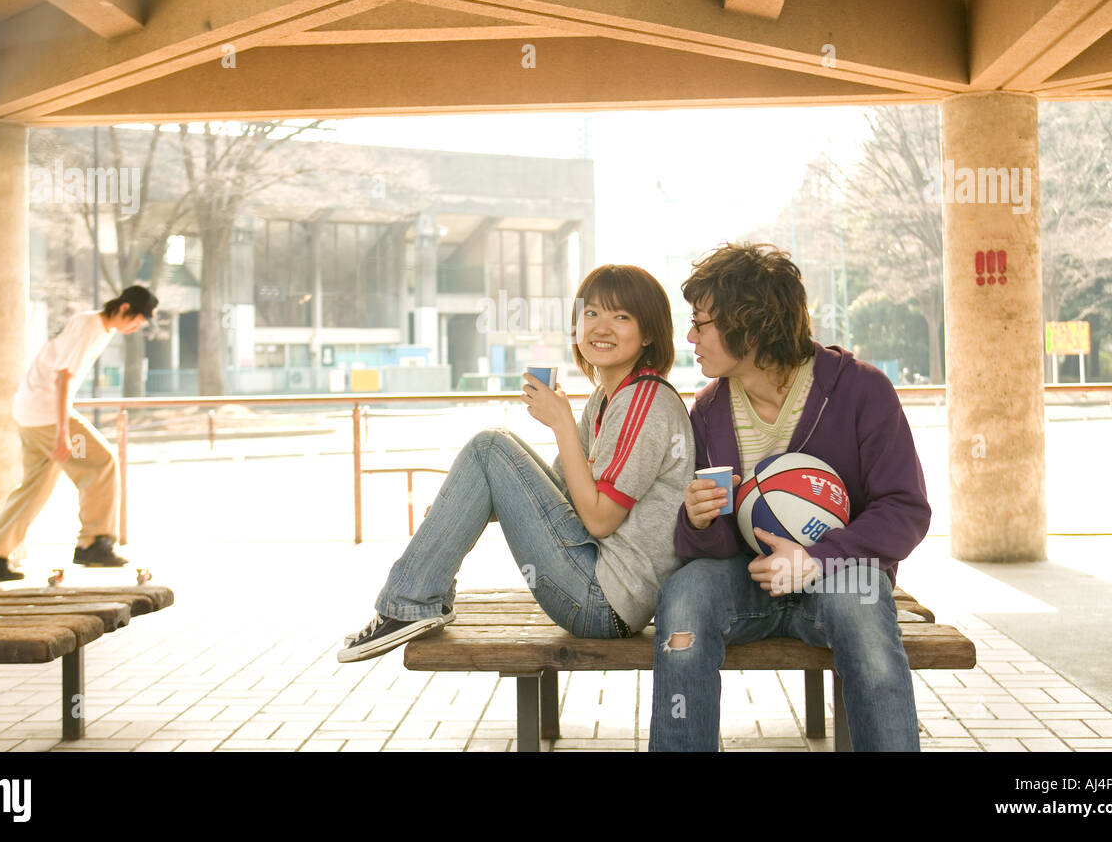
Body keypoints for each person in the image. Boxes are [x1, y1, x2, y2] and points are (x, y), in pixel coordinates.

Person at [648, 244, 930, 751]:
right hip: (749, 580)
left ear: (750, 326)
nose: (690, 336)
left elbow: (905, 511)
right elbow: (703, 553)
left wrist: (813, 560)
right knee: (685, 595)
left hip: (840, 577)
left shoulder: (862, 390)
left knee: (863, 609)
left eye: (702, 323)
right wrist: (698, 521)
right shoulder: (709, 411)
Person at [339, 265, 693, 662]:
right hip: (596, 585)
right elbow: (562, 491)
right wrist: (456, 511)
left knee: (491, 447)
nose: (601, 327)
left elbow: (599, 520)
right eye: (591, 313)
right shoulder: (607, 398)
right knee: (493, 448)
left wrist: (560, 421)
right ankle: (415, 600)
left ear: (649, 334)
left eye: (622, 317)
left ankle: (409, 603)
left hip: (604, 602)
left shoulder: (643, 403)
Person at [0, 286, 159, 581]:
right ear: (124, 309)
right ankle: (93, 542)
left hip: (30, 411)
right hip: (47, 416)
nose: (137, 327)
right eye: (137, 320)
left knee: (35, 486)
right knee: (101, 463)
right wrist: (63, 432)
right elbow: (62, 376)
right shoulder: (90, 326)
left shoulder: (92, 325)